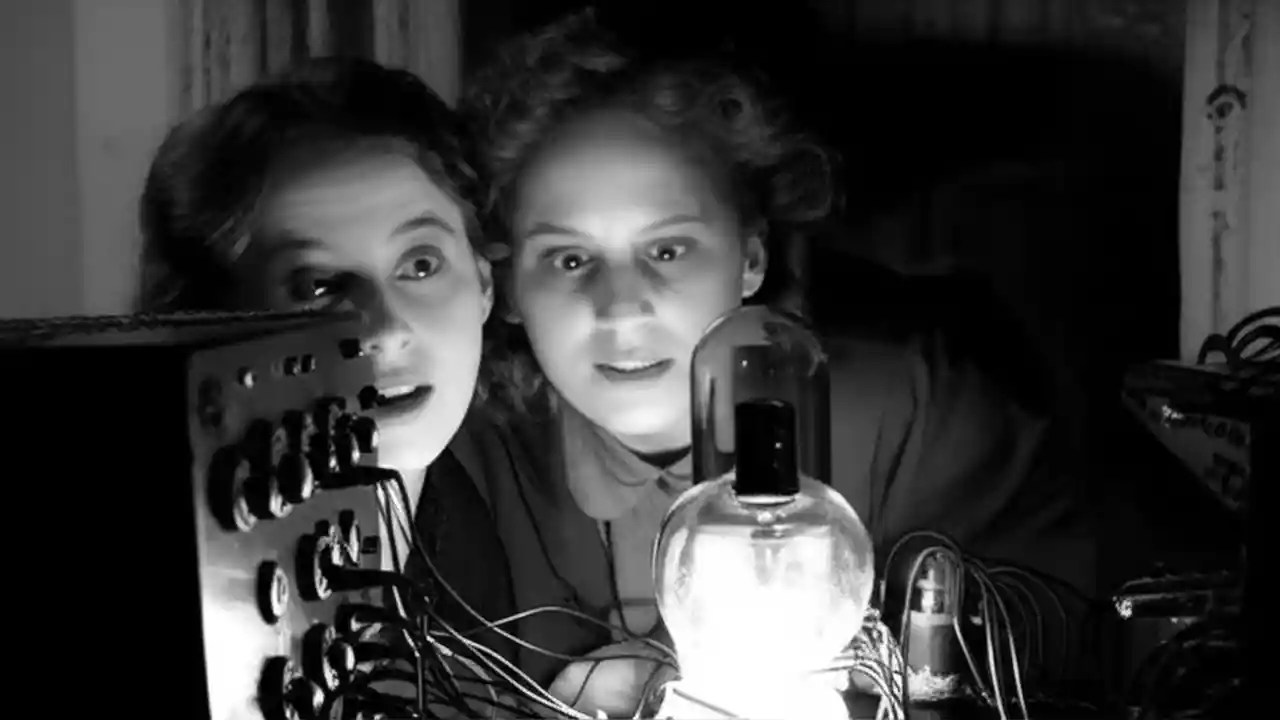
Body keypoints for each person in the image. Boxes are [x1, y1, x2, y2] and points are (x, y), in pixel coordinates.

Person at [459, 10, 1098, 716]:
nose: (621, 310)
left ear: (751, 257)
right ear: (506, 285)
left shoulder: (918, 417)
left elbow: (1067, 634)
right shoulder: (465, 465)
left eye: (667, 250)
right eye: (569, 258)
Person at [135, 56, 518, 663]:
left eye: (420, 264)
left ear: (484, 282)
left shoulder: (465, 519)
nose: (386, 331)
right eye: (318, 286)